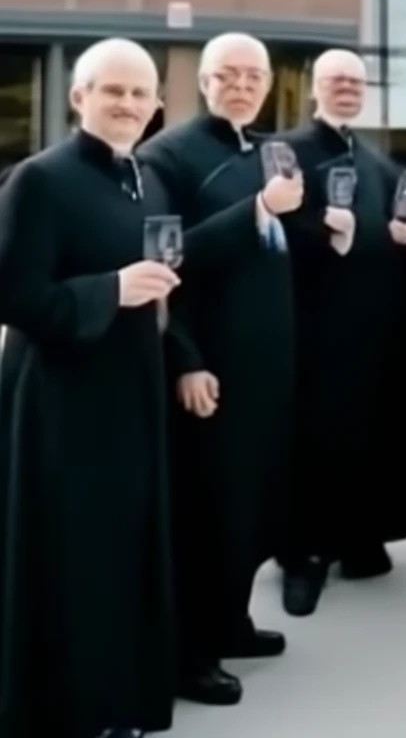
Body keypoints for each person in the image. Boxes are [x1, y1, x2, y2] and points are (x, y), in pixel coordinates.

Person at [0, 38, 250, 738]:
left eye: (141, 94)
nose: (129, 105)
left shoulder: (145, 178)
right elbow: (15, 295)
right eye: (114, 91)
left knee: (127, 548)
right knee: (77, 557)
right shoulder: (39, 179)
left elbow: (166, 289)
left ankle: (121, 700)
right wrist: (110, 289)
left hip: (133, 394)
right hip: (62, 404)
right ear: (80, 97)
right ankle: (71, 712)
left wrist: (184, 357)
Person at [136, 33, 302, 707]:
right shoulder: (166, 155)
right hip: (210, 366)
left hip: (267, 366)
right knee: (209, 513)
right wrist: (186, 360)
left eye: (252, 75)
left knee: (250, 504)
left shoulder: (267, 150)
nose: (240, 84)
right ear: (202, 82)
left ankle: (230, 621)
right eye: (226, 74)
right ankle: (190, 655)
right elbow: (165, 264)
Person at [276, 48, 406, 617]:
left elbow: (403, 237)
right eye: (336, 80)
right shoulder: (288, 152)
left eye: (355, 82)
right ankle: (304, 555)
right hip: (315, 324)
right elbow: (275, 223)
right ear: (315, 86)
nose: (346, 88)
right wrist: (319, 230)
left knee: (368, 432)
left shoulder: (380, 163)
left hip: (377, 326)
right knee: (314, 438)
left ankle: (359, 536)